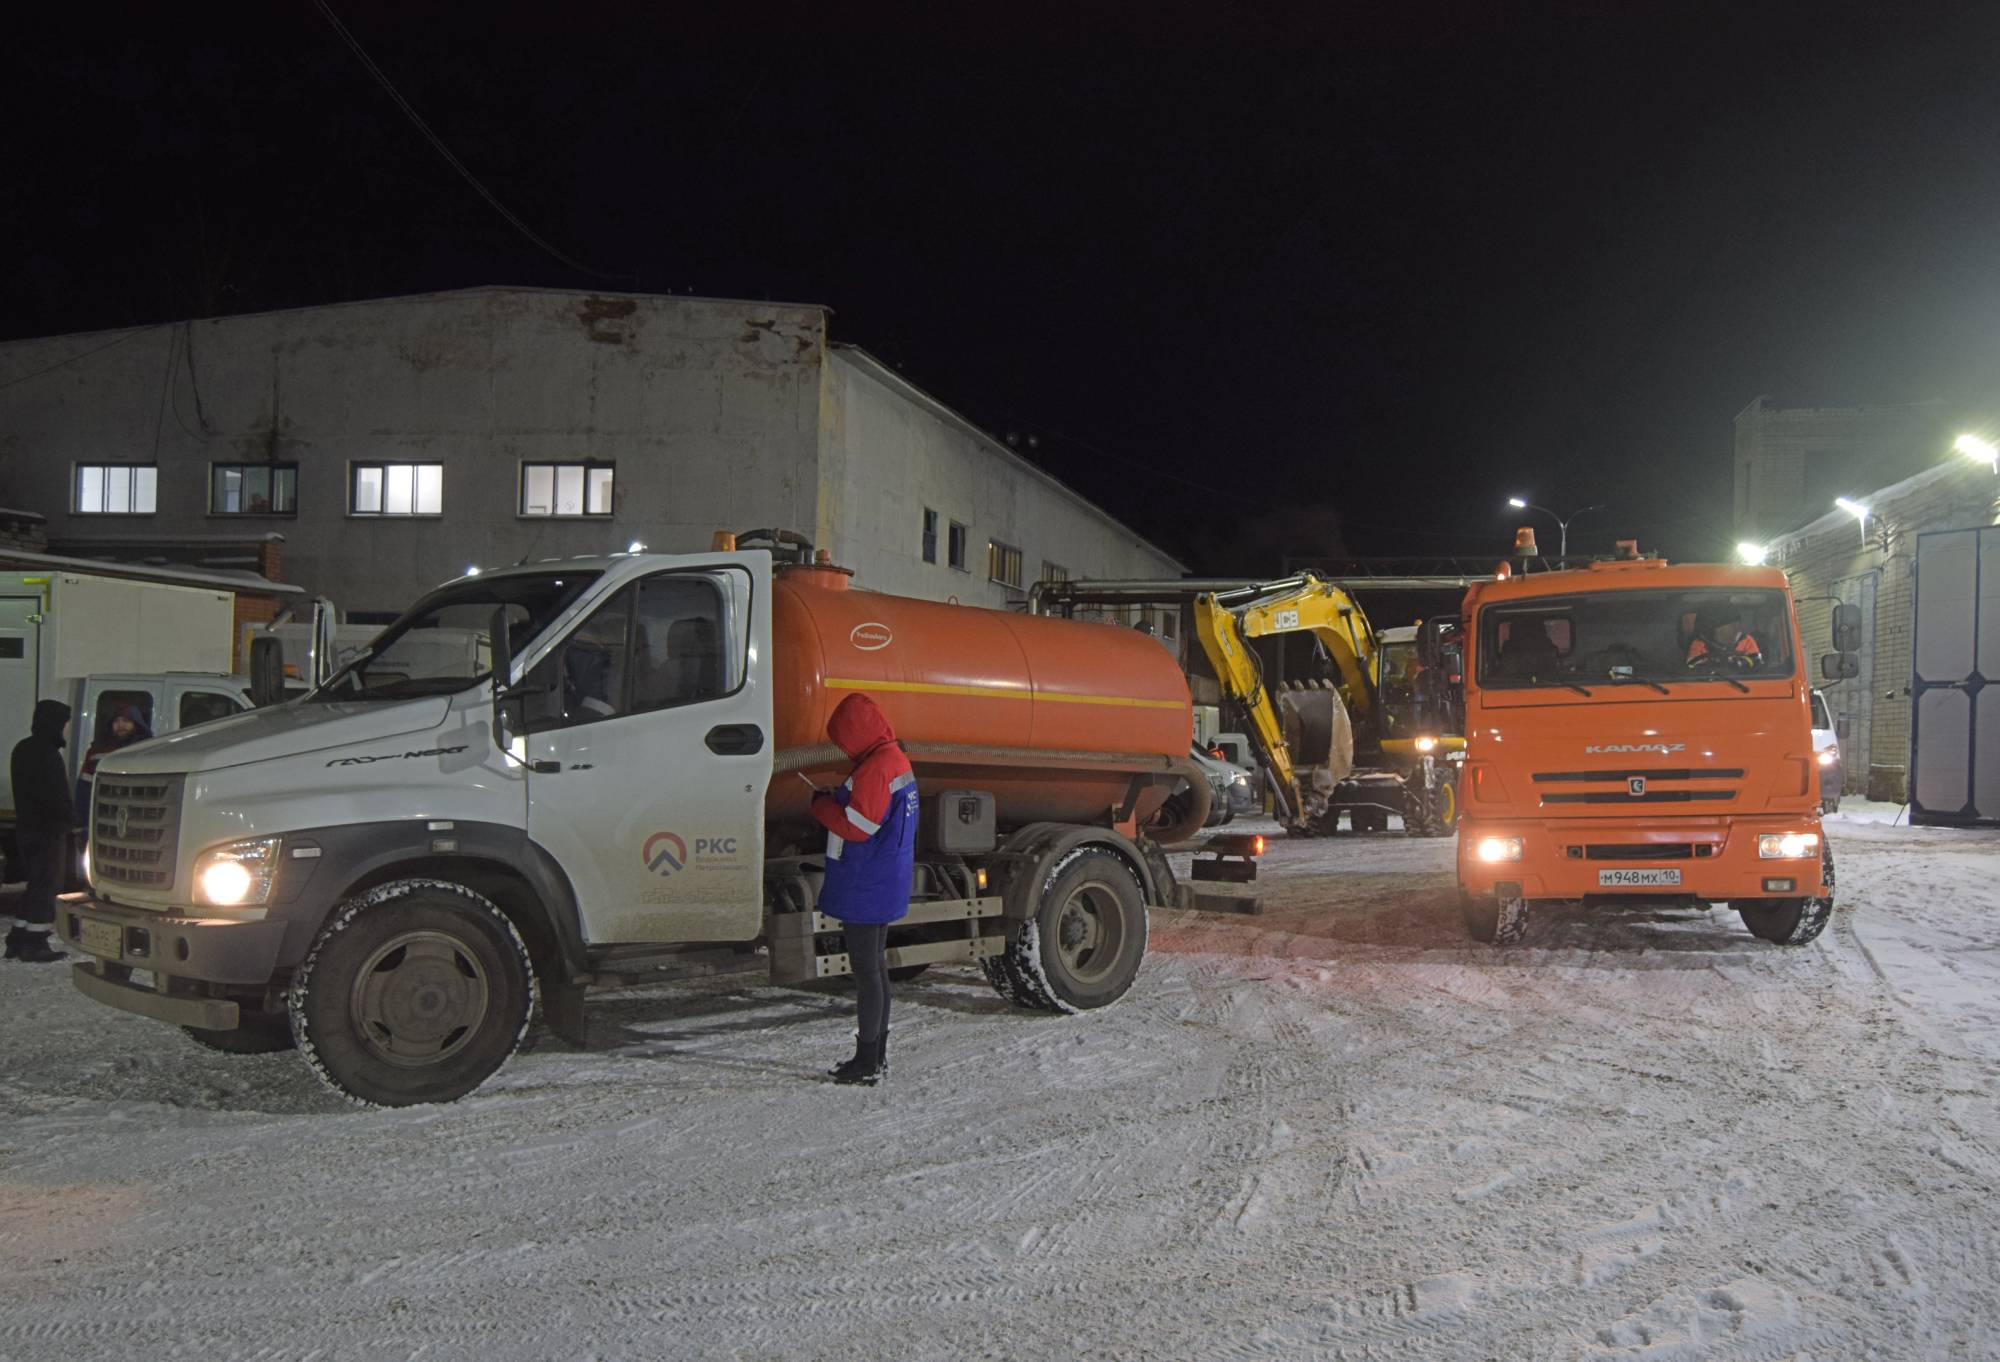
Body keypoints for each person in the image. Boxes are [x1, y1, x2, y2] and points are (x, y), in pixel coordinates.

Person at [809, 692, 918, 1086]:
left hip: (867, 884)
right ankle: (876, 1056)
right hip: (883, 880)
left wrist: (821, 807)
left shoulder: (877, 768)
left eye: (843, 739)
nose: (842, 748)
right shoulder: (894, 760)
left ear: (857, 733)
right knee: (877, 971)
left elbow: (858, 827)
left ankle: (867, 1062)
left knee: (868, 973)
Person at [8, 700, 73, 963]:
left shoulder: (22, 748)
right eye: (65, 723)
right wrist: (69, 820)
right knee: (46, 886)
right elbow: (57, 796)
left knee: (34, 885)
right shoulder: (47, 753)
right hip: (48, 831)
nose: (66, 729)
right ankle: (35, 943)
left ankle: (17, 938)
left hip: (26, 828)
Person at [75, 703, 151, 825]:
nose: (120, 725)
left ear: (136, 723)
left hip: (138, 818)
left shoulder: (146, 750)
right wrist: (83, 821)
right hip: (103, 816)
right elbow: (85, 788)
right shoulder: (97, 751)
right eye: (116, 721)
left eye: (126, 720)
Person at [1687, 615, 1763, 664]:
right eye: (1732, 626)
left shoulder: (1747, 640)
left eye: (1738, 625)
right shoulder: (1701, 642)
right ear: (1717, 629)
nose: (1738, 629)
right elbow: (1691, 666)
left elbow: (1756, 664)